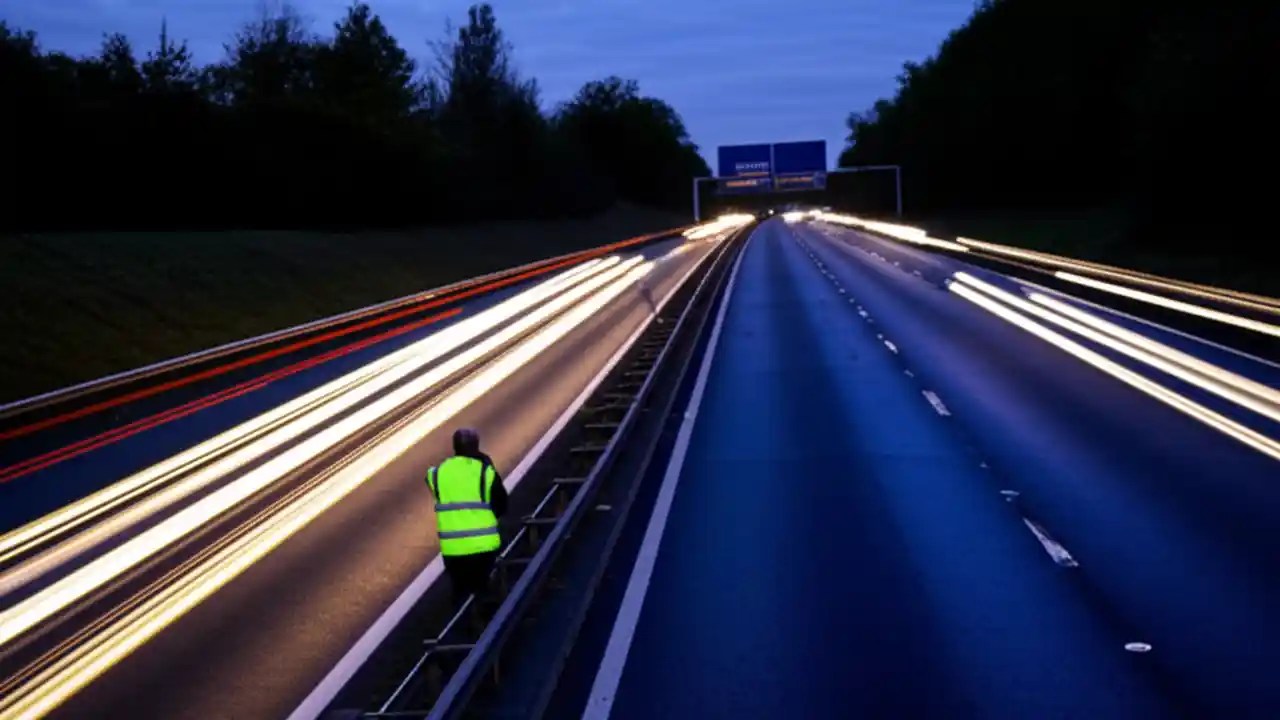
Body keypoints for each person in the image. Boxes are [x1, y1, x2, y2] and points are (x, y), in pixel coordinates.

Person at [427, 427, 509, 608]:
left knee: (460, 592)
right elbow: (502, 504)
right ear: (476, 446)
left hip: (452, 549)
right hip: (483, 546)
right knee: (485, 588)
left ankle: (461, 623)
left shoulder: (437, 473)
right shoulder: (484, 471)